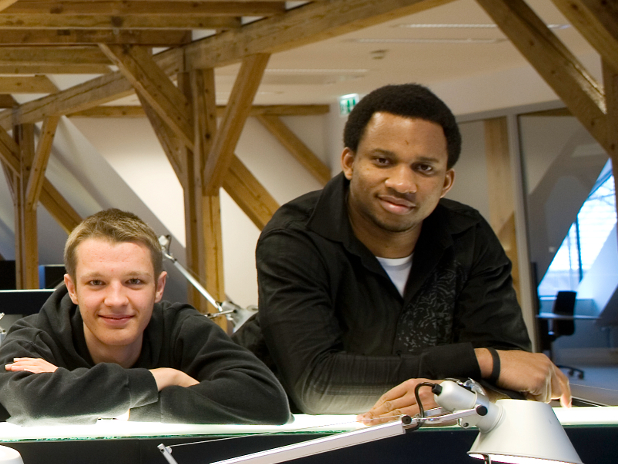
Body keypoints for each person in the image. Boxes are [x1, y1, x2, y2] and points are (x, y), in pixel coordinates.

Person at [236, 84, 570, 421]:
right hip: (290, 439)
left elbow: (517, 375)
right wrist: (477, 362)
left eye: (424, 168)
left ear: (446, 182)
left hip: (432, 437)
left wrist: (460, 388)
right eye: (383, 161)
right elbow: (318, 388)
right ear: (349, 163)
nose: (402, 184)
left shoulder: (469, 236)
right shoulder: (296, 237)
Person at [0, 209, 290, 425]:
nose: (116, 300)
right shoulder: (35, 336)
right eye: (96, 282)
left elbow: (265, 400)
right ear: (72, 289)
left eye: (134, 281)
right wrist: (162, 378)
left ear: (159, 287)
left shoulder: (183, 328)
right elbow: (30, 402)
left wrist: (113, 407)